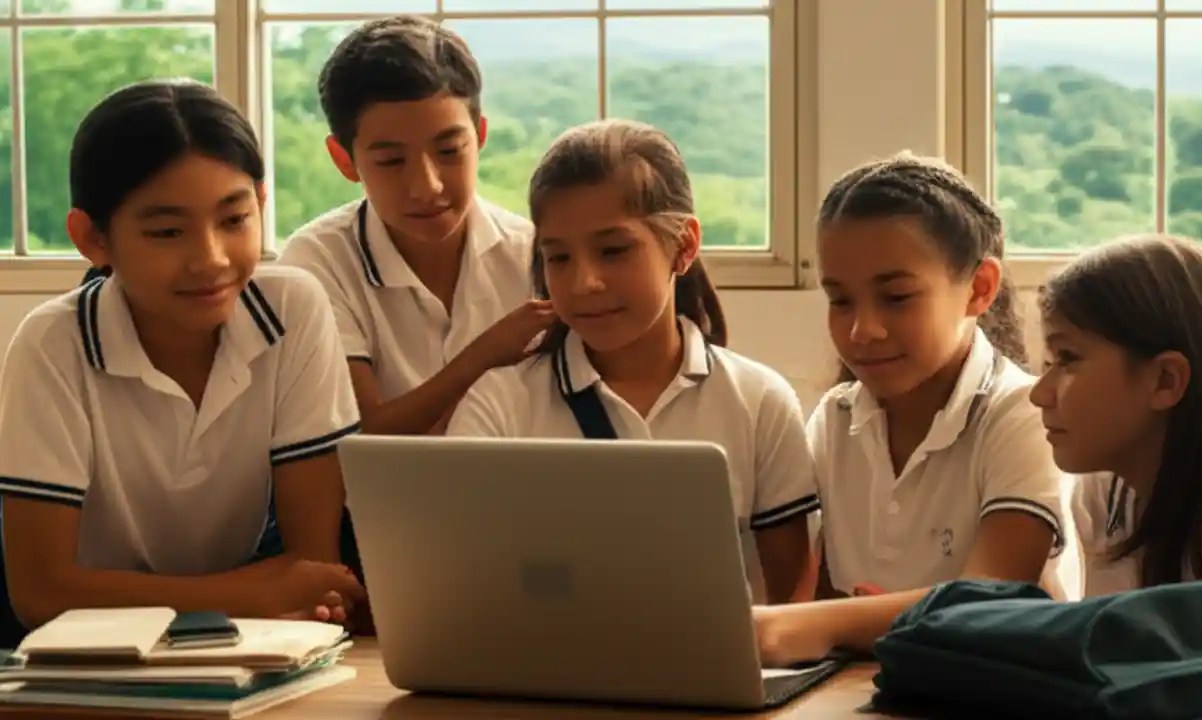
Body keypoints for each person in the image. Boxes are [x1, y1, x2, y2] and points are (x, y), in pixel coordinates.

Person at [0, 80, 365, 634]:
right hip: (83, 648)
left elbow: (311, 565)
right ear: (92, 238)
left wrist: (249, 598)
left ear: (261, 204)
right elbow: (42, 593)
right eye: (168, 231)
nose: (210, 260)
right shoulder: (53, 344)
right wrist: (244, 593)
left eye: (234, 220)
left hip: (240, 634)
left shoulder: (293, 308)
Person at [448, 119, 820, 604]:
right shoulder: (499, 404)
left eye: (613, 251)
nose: (584, 282)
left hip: (712, 675)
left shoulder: (759, 401)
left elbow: (793, 602)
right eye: (558, 258)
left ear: (684, 246)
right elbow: (464, 581)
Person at [753, 153, 1071, 664]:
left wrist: (818, 625)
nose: (862, 330)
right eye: (839, 301)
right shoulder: (834, 421)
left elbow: (989, 600)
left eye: (897, 297)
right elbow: (824, 596)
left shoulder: (1020, 413)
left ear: (979, 289)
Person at [278, 16, 555, 437]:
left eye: (449, 150)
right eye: (391, 161)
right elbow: (358, 438)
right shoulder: (318, 261)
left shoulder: (537, 251)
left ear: (479, 136)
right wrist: (486, 354)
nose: (427, 186)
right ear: (344, 160)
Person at [1033, 234, 1202, 595]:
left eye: (1067, 359)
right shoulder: (1105, 492)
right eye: (1048, 363)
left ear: (1166, 380)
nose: (1039, 394)